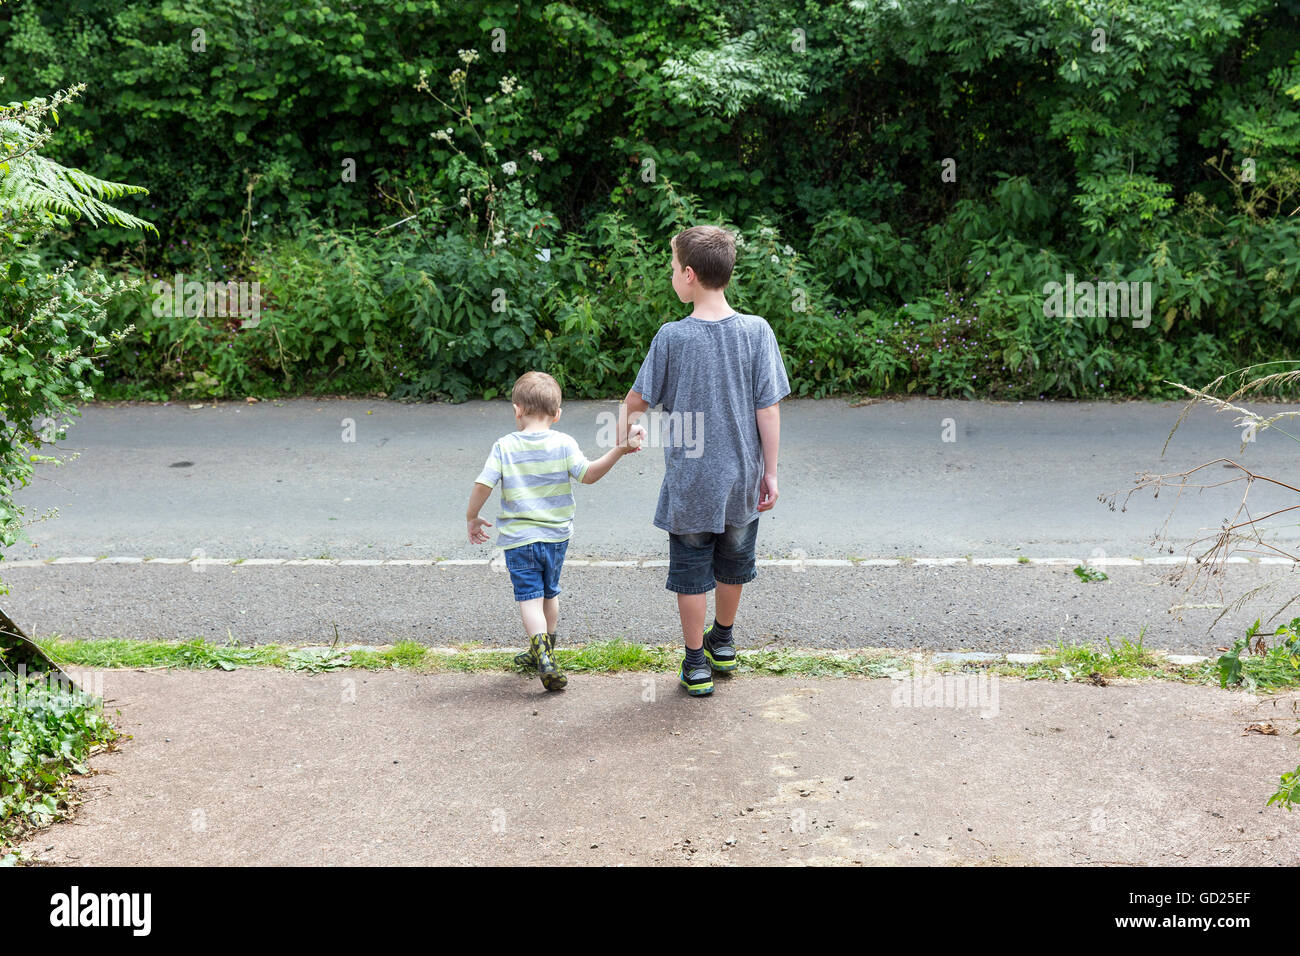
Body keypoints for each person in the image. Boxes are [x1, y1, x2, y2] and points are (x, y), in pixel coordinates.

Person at [619, 225, 791, 696]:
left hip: (691, 480)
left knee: (692, 569)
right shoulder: (757, 331)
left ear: (689, 274)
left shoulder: (672, 337)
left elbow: (636, 401)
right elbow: (768, 409)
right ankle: (726, 641)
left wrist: (627, 432)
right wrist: (770, 472)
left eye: (672, 268)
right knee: (734, 563)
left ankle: (696, 663)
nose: (671, 275)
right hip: (742, 478)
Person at [467, 370, 642, 691]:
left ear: (517, 409)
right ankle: (548, 649)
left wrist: (472, 515)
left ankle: (542, 656)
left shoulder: (504, 446)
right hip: (557, 537)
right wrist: (619, 449)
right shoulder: (564, 443)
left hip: (520, 540)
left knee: (529, 599)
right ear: (557, 414)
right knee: (550, 592)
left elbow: (483, 484)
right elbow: (588, 475)